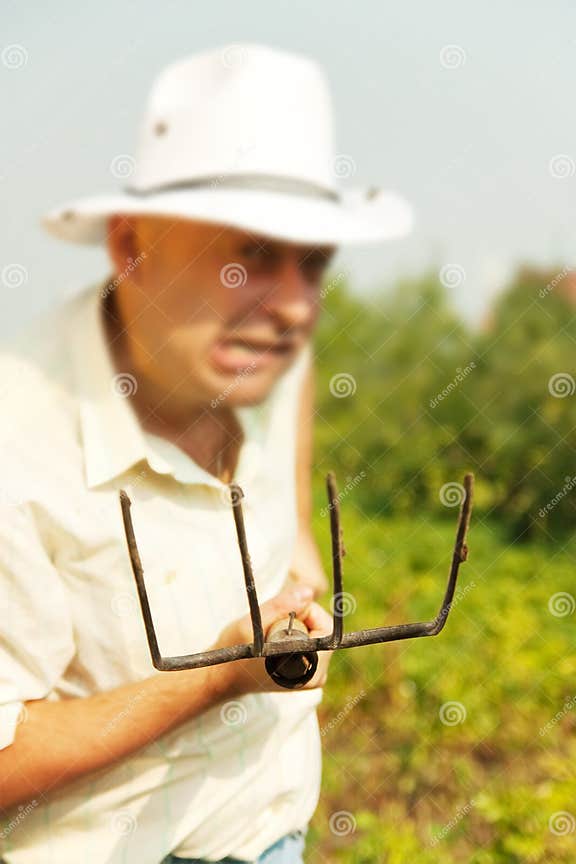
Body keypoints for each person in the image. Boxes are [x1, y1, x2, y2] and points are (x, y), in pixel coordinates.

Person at [0, 43, 412, 864]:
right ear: (130, 245)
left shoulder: (263, 365)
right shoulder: (19, 447)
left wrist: (301, 582)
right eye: (250, 254)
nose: (294, 308)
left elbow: (293, 499)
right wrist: (222, 675)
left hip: (273, 836)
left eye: (313, 263)